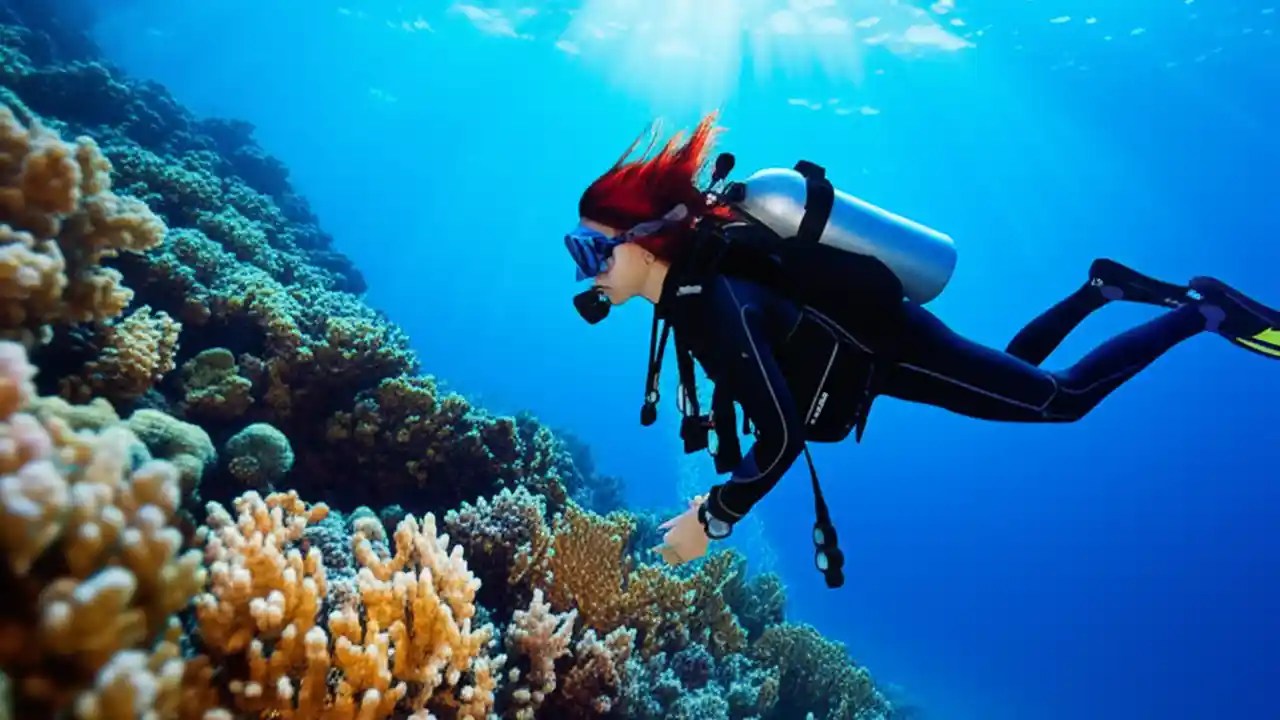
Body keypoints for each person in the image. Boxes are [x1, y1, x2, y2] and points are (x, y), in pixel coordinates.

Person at [563, 111, 1280, 587]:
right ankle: (1099, 290)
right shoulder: (689, 298)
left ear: (645, 240)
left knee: (1063, 400)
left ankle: (1203, 311)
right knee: (1019, 375)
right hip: (870, 357)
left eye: (592, 247)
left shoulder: (717, 300)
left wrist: (712, 520)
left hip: (889, 345)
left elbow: (778, 438)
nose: (585, 267)